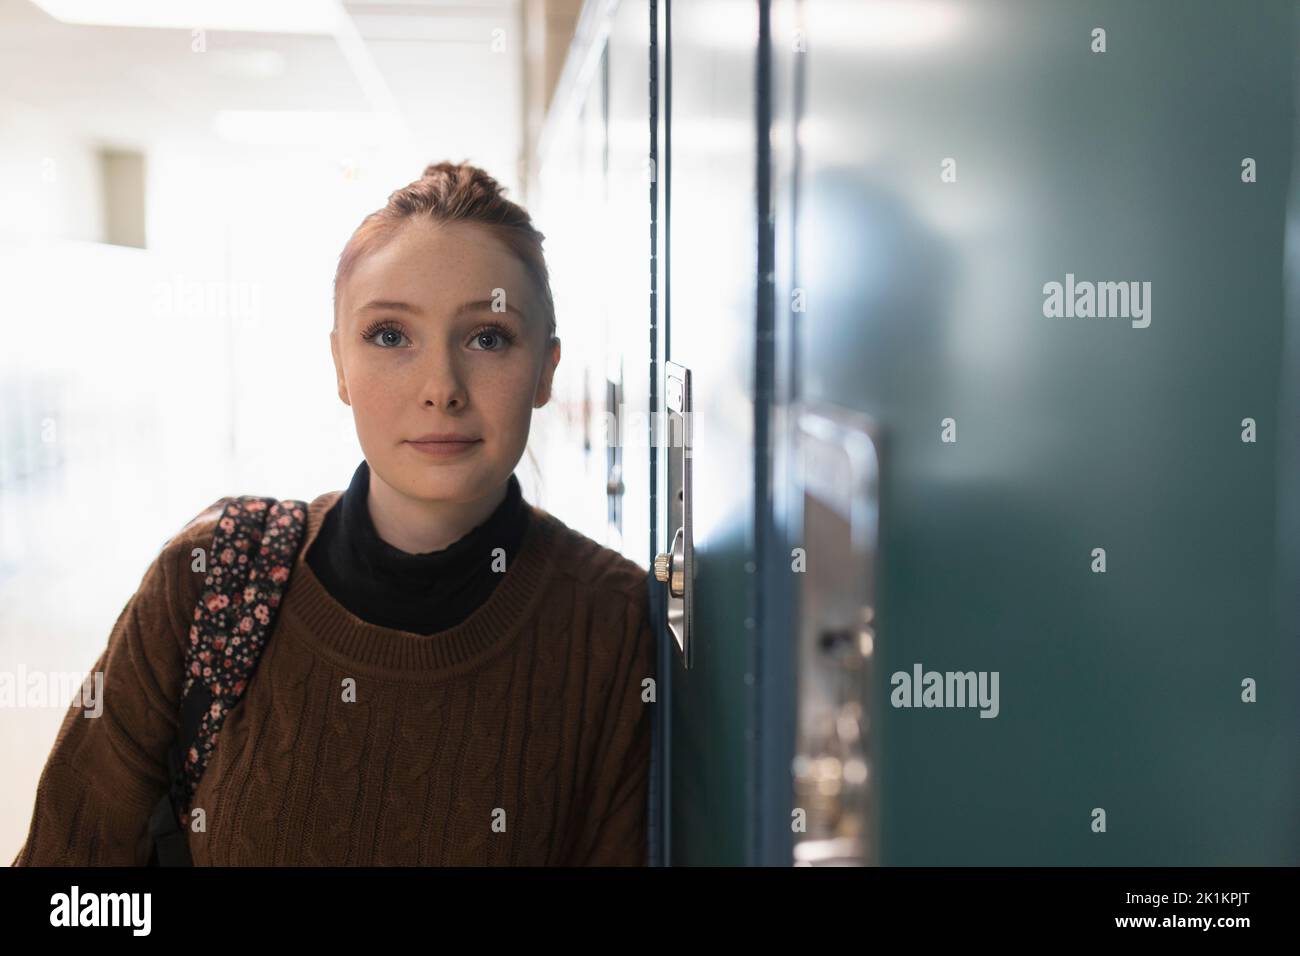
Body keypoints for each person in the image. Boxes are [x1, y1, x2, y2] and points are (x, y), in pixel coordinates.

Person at [11, 161, 656, 866]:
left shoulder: (610, 622)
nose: (441, 388)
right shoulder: (209, 579)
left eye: (489, 336)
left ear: (546, 371)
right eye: (389, 336)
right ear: (340, 366)